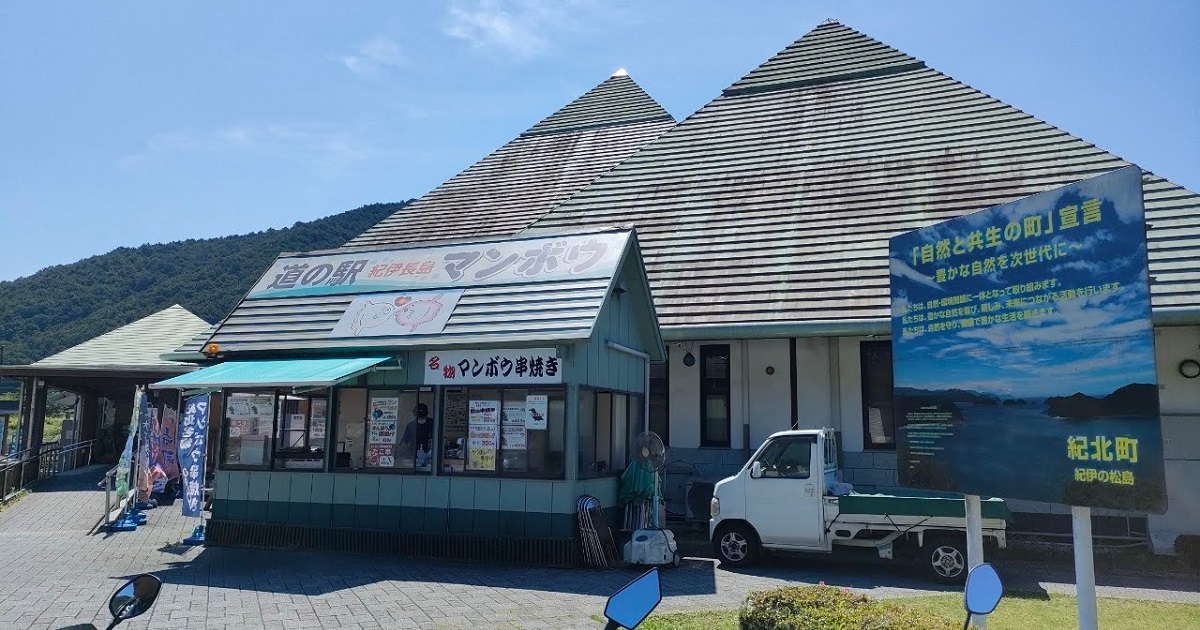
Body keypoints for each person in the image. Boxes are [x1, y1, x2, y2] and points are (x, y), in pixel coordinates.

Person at [399, 403, 432, 469]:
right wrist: (405, 453)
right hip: (413, 456)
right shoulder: (411, 425)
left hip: (430, 456)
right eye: (418, 417)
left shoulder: (432, 423)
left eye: (421, 417)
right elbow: (404, 442)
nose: (420, 419)